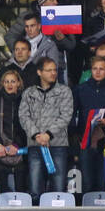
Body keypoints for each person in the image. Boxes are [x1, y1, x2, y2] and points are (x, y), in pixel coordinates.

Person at [17, 57, 72, 198]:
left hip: (58, 145)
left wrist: (48, 134)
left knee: (59, 188)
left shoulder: (64, 91)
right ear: (39, 72)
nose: (53, 73)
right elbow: (24, 116)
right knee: (35, 187)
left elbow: (66, 116)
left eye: (54, 70)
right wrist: (36, 135)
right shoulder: (29, 93)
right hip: (35, 145)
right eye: (48, 70)